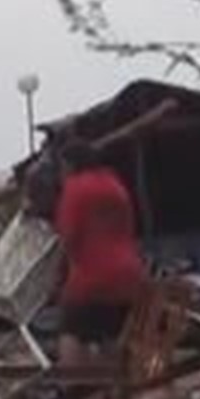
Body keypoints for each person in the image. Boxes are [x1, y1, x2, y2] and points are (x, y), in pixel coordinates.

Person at [53, 139, 148, 369]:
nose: (61, 173)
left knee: (71, 329)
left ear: (70, 165)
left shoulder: (75, 188)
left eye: (62, 167)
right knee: (112, 334)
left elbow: (68, 237)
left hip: (92, 278)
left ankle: (74, 389)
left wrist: (56, 275)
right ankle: (116, 392)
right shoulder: (115, 184)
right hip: (129, 276)